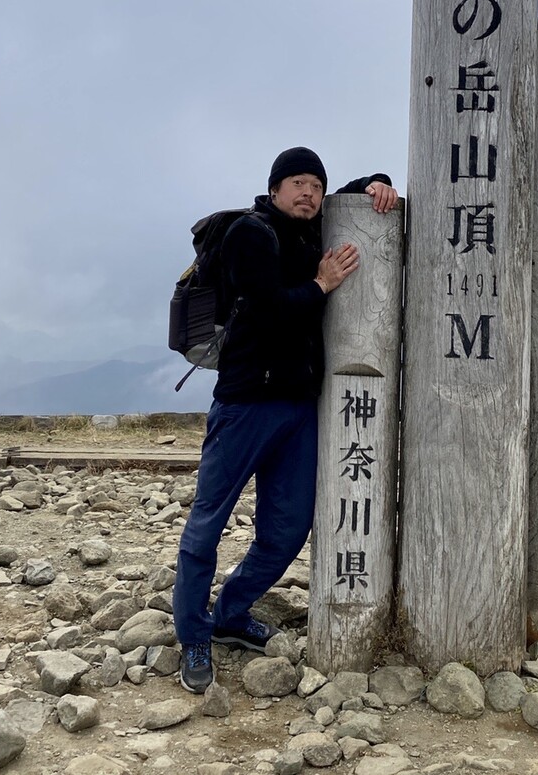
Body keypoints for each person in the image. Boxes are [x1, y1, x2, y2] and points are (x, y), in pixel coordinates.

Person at [173, 146, 397, 693]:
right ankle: (193, 636)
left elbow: (353, 189)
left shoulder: (312, 231)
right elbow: (269, 308)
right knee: (209, 522)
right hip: (246, 403)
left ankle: (230, 612)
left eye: (316, 187)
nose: (310, 194)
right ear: (275, 189)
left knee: (289, 528)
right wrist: (321, 286)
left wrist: (378, 182)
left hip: (299, 408)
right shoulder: (250, 235)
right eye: (297, 183)